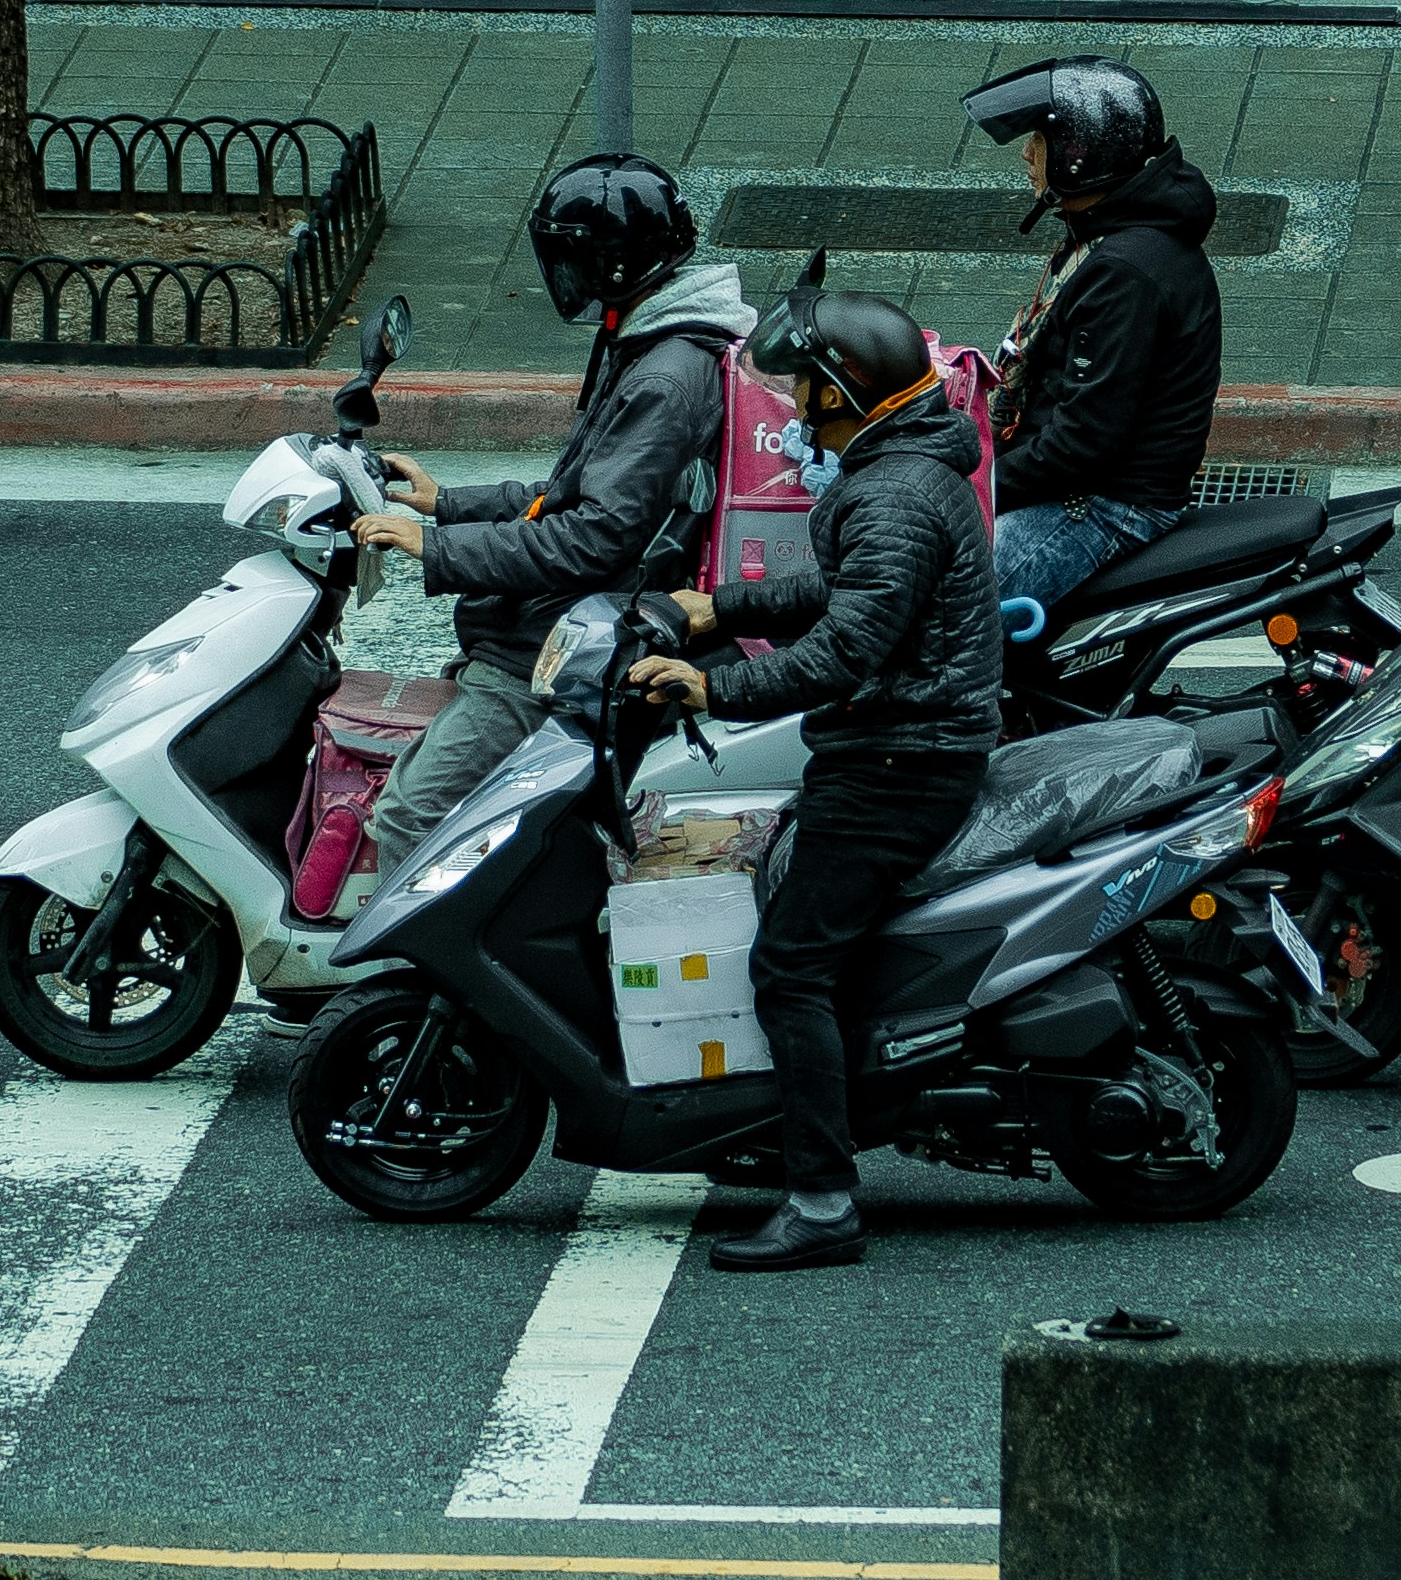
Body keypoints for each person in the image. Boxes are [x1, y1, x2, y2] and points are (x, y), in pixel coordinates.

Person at [626, 289, 1000, 1272]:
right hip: (895, 744)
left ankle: (822, 1197)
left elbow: (844, 647)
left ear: (846, 391)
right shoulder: (904, 468)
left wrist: (713, 683)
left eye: (804, 384)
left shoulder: (892, 493)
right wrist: (718, 606)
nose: (791, 404)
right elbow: (839, 590)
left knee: (790, 965)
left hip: (899, 762)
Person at [352, 155, 752, 870]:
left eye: (570, 255)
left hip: (559, 639)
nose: (558, 273)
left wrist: (435, 547)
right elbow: (574, 490)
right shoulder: (649, 337)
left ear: (613, 262)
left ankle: (408, 985)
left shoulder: (663, 373)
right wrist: (450, 503)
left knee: (413, 816)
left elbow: (596, 537)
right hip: (570, 612)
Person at [964, 57, 1224, 608]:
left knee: (943, 610)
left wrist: (975, 488)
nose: (1027, 154)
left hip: (1106, 505)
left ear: (1082, 155)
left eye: (1040, 140)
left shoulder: (1124, 272)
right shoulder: (1110, 232)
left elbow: (1081, 443)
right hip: (1077, 484)